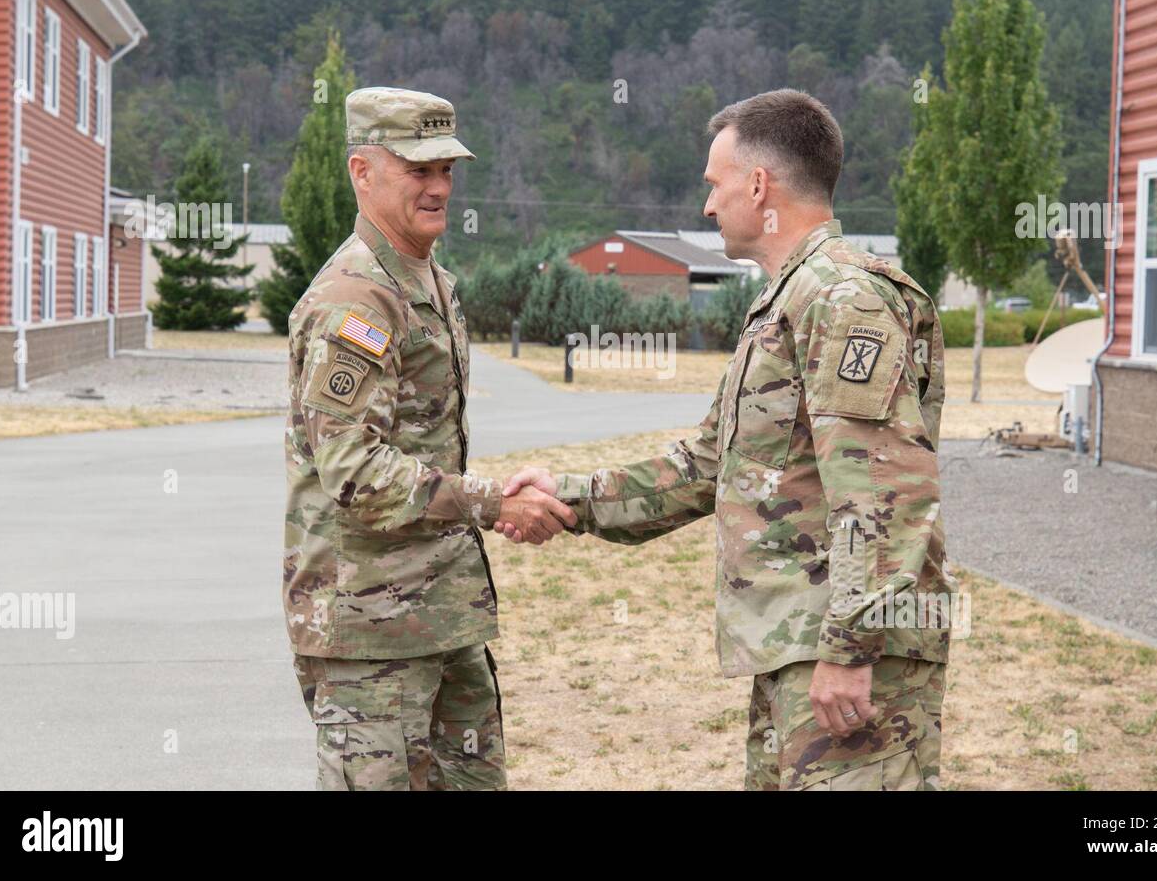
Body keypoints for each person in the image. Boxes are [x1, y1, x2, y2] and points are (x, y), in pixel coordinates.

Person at [498, 89, 955, 791]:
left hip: (843, 660)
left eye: (715, 185)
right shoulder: (785, 301)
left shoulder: (844, 299)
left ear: (760, 184)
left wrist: (850, 646)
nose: (708, 206)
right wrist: (571, 497)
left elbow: (885, 493)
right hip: (793, 650)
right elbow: (706, 466)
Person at [283, 86, 576, 790]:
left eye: (446, 168)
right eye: (418, 169)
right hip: (370, 630)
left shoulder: (431, 279)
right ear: (363, 171)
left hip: (443, 616)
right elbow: (354, 473)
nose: (439, 185)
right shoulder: (356, 298)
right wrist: (492, 503)